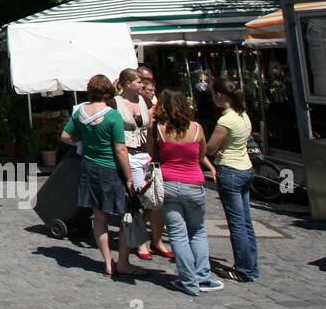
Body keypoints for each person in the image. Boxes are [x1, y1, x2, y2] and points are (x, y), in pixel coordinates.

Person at [59, 74, 149, 279]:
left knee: (99, 217)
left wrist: (80, 143)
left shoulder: (80, 112)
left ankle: (107, 260)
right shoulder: (112, 115)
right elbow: (120, 149)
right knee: (126, 215)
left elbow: (65, 136)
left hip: (89, 167)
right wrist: (128, 177)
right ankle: (123, 262)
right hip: (111, 169)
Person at [148, 89, 221, 295]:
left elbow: (151, 154)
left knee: (177, 234)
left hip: (168, 184)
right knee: (197, 231)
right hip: (193, 184)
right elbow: (202, 154)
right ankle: (203, 277)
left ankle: (188, 281)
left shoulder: (158, 129)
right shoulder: (197, 129)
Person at [114, 68, 171, 261]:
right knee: (137, 199)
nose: (142, 85)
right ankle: (140, 242)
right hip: (126, 153)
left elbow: (150, 130)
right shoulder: (115, 103)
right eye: (139, 82)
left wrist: (152, 155)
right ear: (128, 84)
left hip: (144, 154)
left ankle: (156, 240)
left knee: (155, 198)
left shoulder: (145, 101)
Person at [207, 77, 259, 283]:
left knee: (236, 223)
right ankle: (251, 265)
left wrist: (214, 149)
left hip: (231, 171)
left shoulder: (226, 120)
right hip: (245, 167)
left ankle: (243, 269)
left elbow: (210, 148)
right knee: (246, 221)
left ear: (220, 96)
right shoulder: (243, 115)